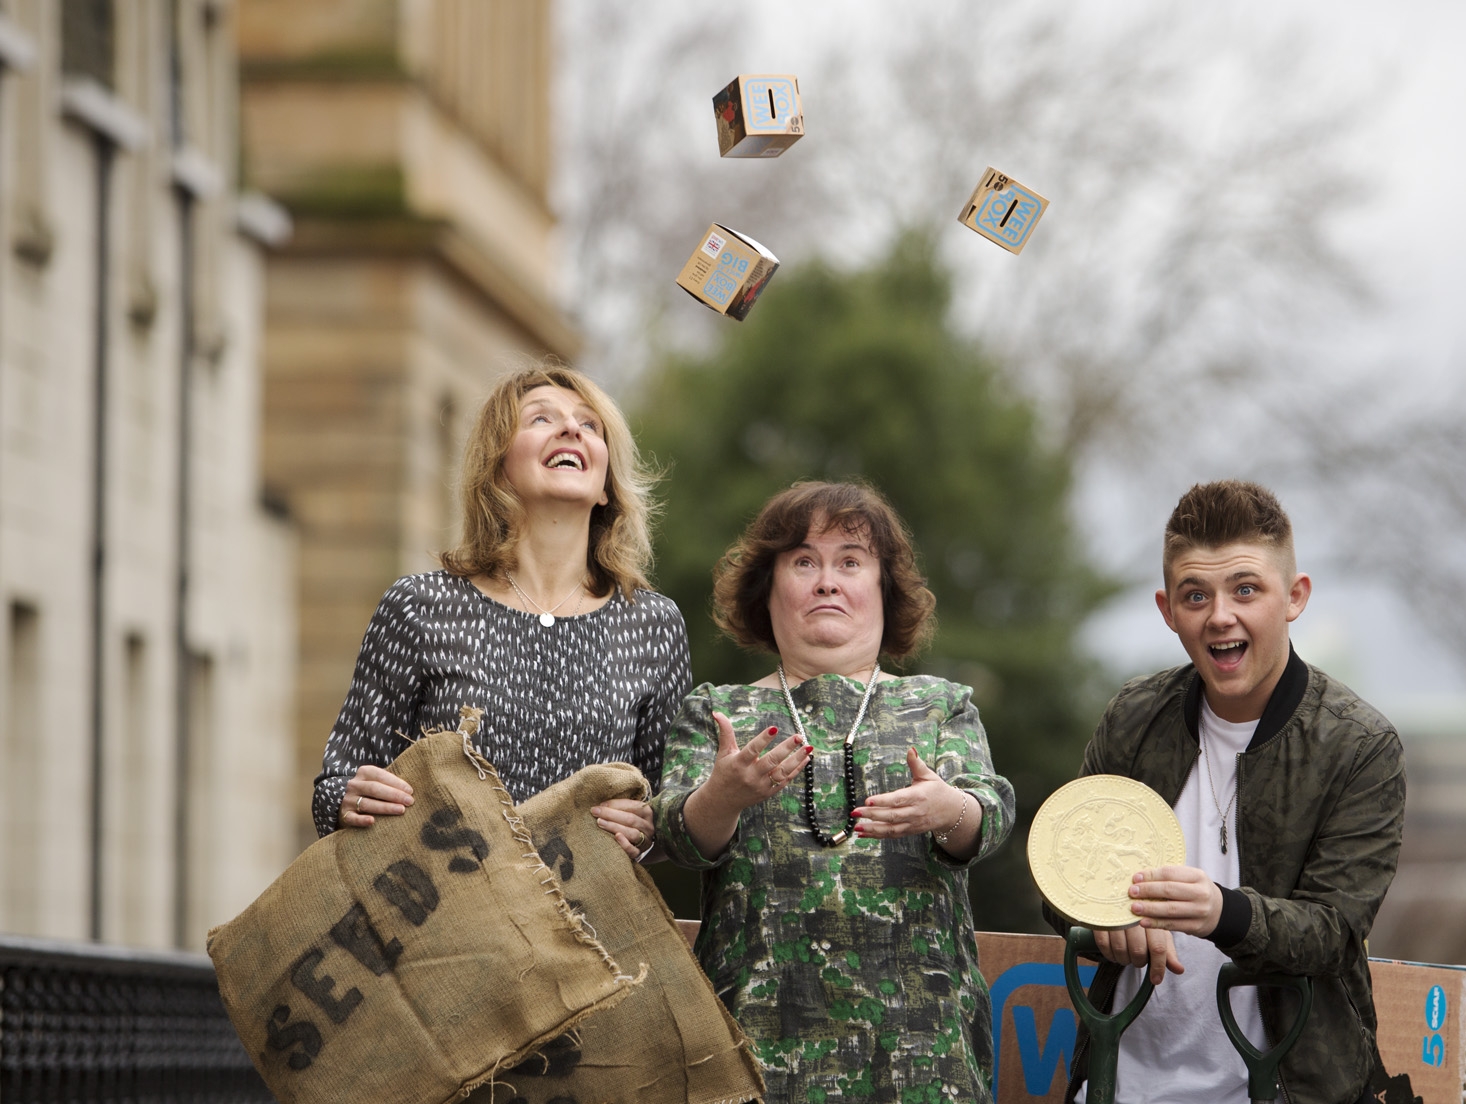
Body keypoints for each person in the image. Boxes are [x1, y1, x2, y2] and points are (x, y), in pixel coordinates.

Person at [1044, 480, 1405, 1104]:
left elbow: (1334, 931)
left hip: (1284, 1087)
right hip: (1117, 1082)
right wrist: (1103, 918)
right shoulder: (1132, 719)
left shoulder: (1359, 746)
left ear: (1294, 597)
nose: (1219, 616)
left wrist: (1224, 913)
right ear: (1167, 610)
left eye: (1245, 589)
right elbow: (1060, 879)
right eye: (1195, 595)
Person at [653, 481, 1016, 1102]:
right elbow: (677, 837)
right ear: (767, 589)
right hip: (755, 1049)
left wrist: (948, 809)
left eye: (850, 562)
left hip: (923, 1053)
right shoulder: (718, 712)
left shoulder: (940, 705)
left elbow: (990, 817)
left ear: (883, 588)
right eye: (803, 562)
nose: (827, 582)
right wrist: (723, 796)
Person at [312, 362, 690, 862]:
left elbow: (674, 815)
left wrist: (653, 830)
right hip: (445, 905)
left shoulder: (653, 624)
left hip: (588, 910)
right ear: (497, 466)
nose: (571, 428)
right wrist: (347, 798)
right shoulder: (420, 607)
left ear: (605, 485)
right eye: (541, 418)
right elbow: (335, 785)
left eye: (590, 424)